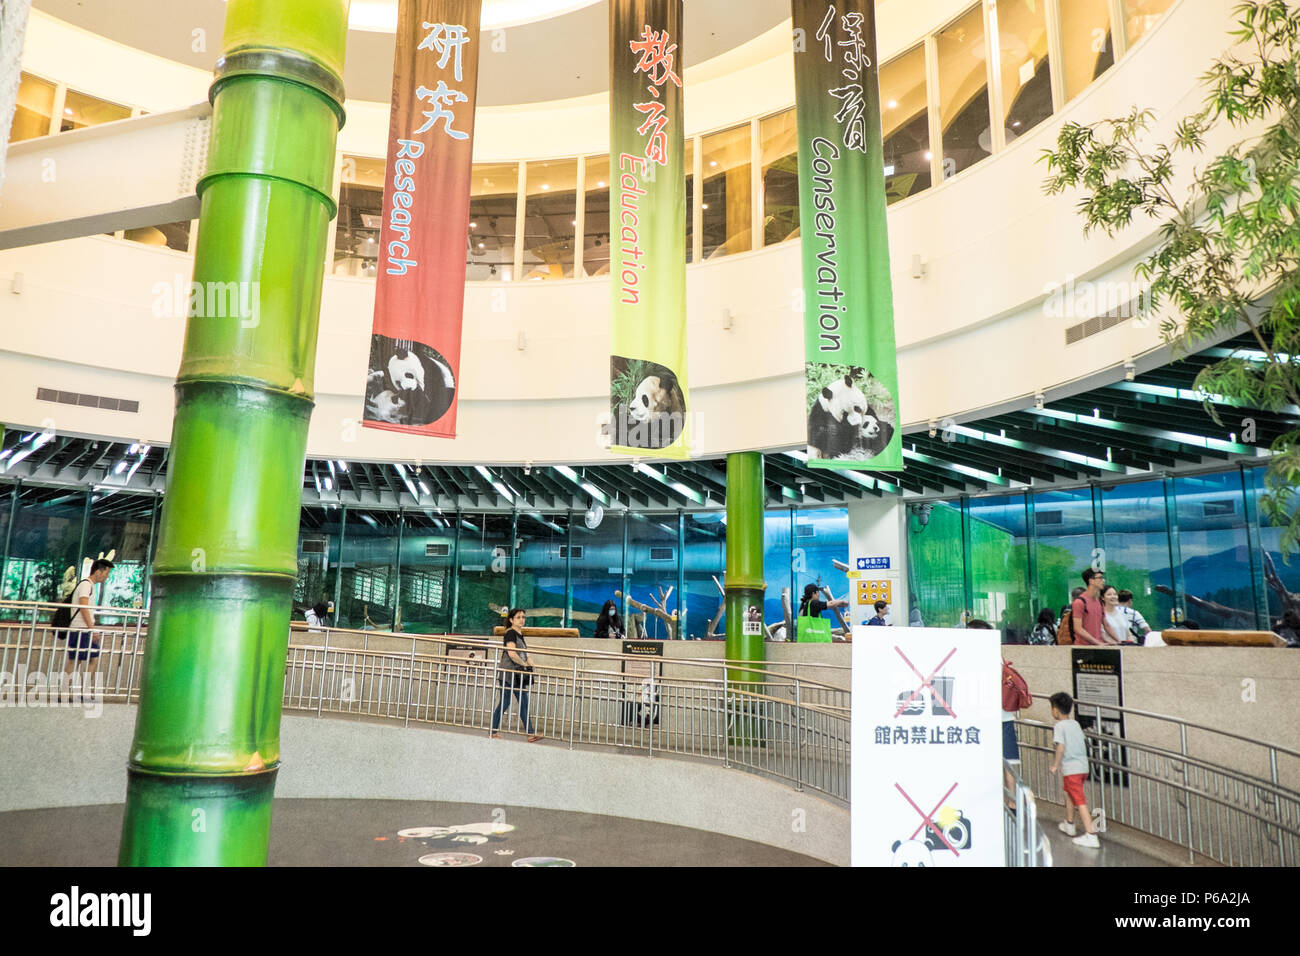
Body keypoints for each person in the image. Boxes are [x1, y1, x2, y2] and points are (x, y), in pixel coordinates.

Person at [1048, 691, 1100, 848]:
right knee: (1068, 792)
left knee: (1080, 800)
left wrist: (1055, 765)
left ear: (1055, 710)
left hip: (1071, 769)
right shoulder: (1075, 724)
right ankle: (1069, 824)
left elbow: (1061, 748)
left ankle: (1091, 835)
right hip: (1083, 767)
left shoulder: (1059, 726)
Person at [64, 558, 113, 698]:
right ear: (98, 571)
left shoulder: (89, 585)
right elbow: (84, 607)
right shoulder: (86, 585)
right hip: (81, 629)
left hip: (82, 628)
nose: (107, 576)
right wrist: (92, 629)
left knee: (87, 658)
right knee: (77, 660)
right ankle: (70, 691)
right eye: (106, 572)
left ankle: (75, 690)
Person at [492, 608, 542, 742]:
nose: (522, 619)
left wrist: (530, 663)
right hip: (509, 673)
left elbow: (525, 653)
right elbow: (512, 653)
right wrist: (525, 664)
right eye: (518, 617)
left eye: (523, 617)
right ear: (511, 620)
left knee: (522, 702)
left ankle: (530, 733)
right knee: (505, 702)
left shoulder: (520, 634)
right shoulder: (510, 633)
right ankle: (493, 730)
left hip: (517, 673)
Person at [1070, 569, 1110, 645]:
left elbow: (1106, 625)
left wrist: (1119, 641)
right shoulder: (1080, 602)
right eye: (1100, 578)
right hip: (1083, 647)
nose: (1103, 581)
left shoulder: (1100, 602)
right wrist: (1097, 643)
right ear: (1091, 581)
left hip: (1098, 646)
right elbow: (1078, 628)